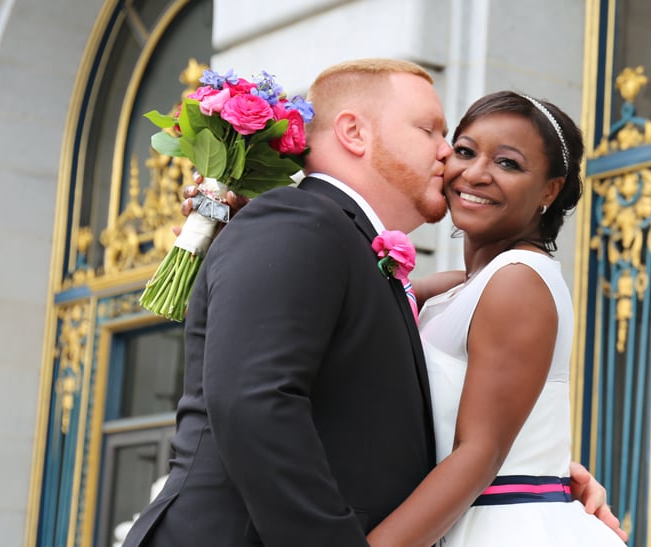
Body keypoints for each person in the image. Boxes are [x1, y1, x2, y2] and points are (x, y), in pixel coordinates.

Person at [123, 59, 618, 547]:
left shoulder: (354, 248)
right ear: (354, 133)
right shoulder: (298, 223)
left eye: (504, 161)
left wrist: (544, 473)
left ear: (550, 191)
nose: (449, 156)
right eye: (433, 132)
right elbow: (253, 401)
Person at [364, 91, 623, 546]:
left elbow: (479, 454)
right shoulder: (457, 287)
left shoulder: (517, 282)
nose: (475, 173)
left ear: (550, 190)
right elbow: (349, 298)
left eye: (508, 163)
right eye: (464, 151)